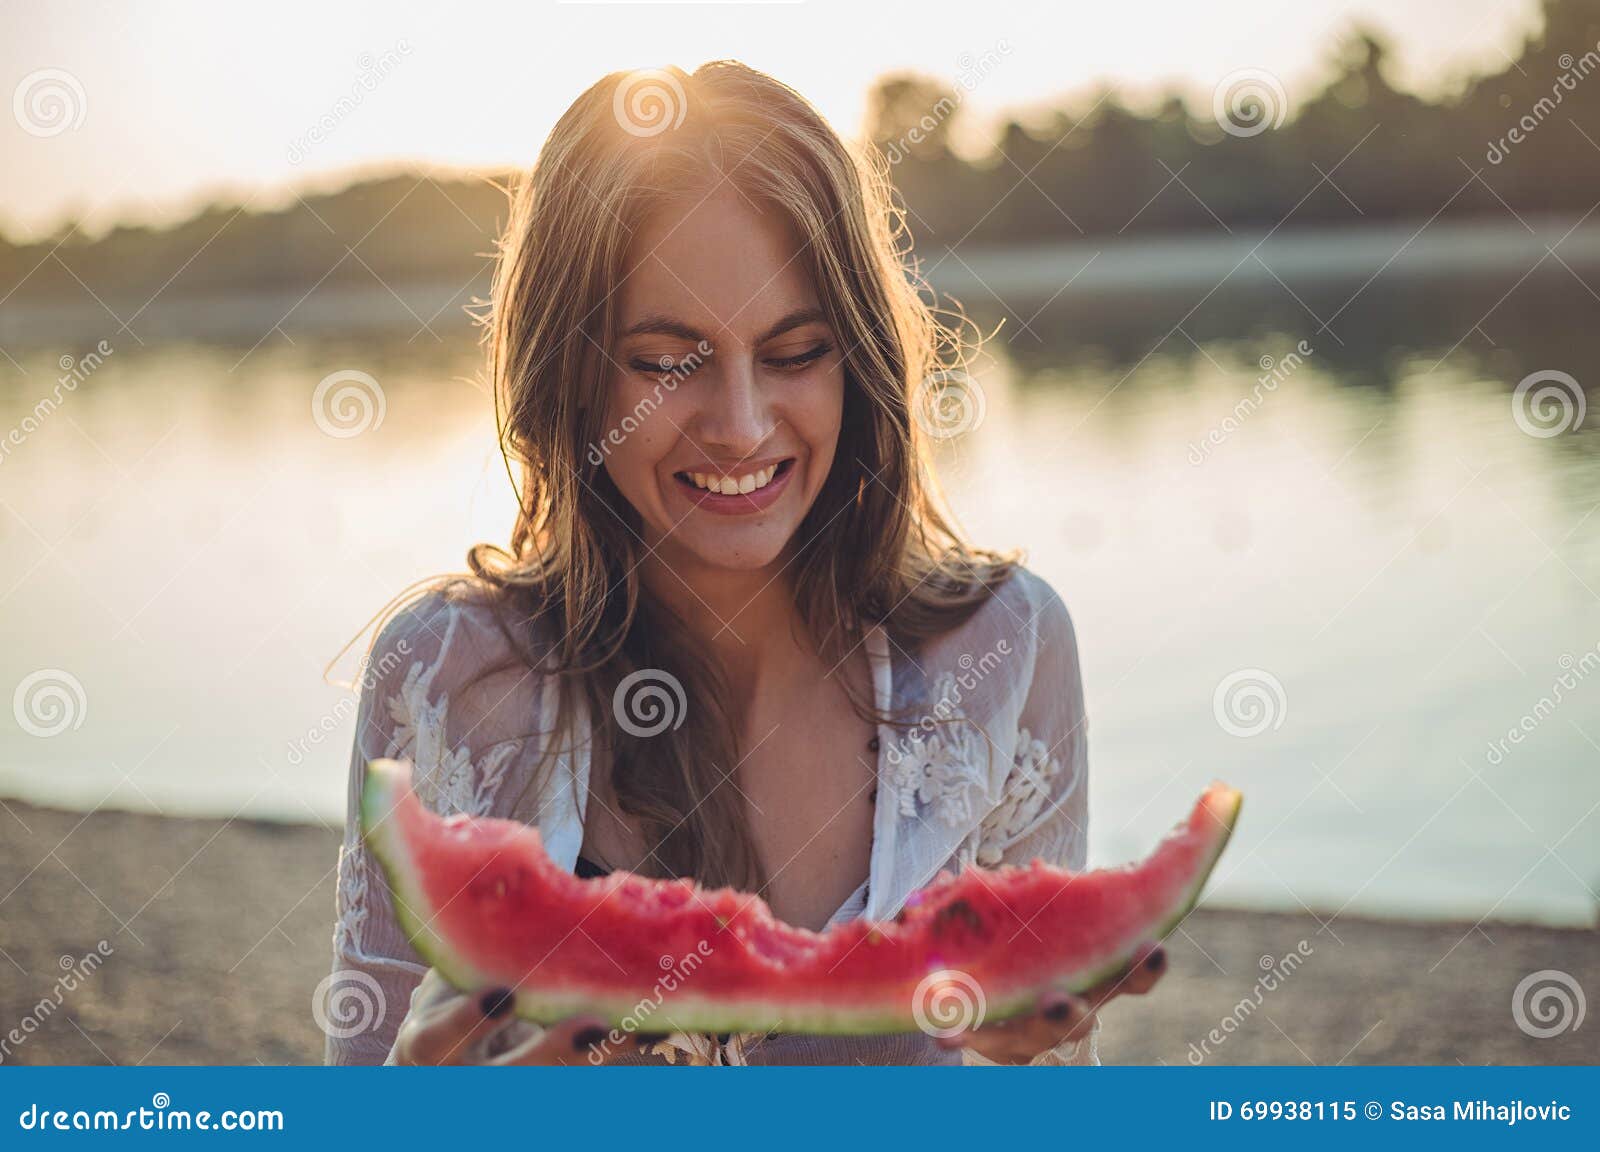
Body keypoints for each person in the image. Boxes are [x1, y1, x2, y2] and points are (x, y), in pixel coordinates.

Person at [324, 60, 1164, 1067]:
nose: (740, 424)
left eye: (795, 351)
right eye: (666, 362)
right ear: (572, 370)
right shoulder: (444, 672)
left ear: (858, 357)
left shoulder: (1009, 646)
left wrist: (995, 1056)